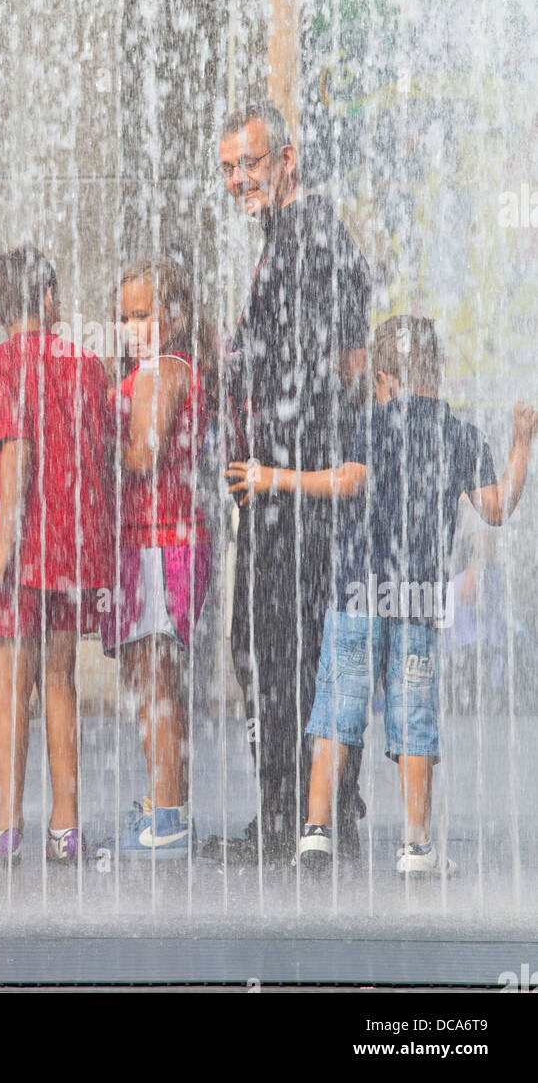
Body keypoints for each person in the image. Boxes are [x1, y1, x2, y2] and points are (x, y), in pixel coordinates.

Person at [231, 316, 537, 876]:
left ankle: (316, 831)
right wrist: (521, 445)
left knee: (336, 710)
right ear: (438, 373)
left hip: (357, 593)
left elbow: (347, 481)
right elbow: (497, 510)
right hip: (418, 599)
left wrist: (272, 475)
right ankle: (416, 846)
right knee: (413, 716)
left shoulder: (369, 423)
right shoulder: (460, 433)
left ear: (383, 378)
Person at [215, 101, 370, 867]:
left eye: (250, 163)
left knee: (277, 650)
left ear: (287, 157)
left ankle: (294, 815)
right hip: (281, 488)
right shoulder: (293, 237)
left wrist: (310, 468)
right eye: (229, 169)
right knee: (275, 647)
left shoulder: (312, 236)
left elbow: (347, 365)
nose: (240, 179)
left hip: (299, 492)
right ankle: (322, 802)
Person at [0, 247, 115, 863]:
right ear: (51, 299)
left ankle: (8, 828)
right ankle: (66, 828)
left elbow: (16, 450)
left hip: (24, 540)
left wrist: (3, 542)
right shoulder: (86, 363)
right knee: (59, 682)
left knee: (11, 685)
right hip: (74, 540)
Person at [97, 258, 213, 858]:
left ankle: (168, 817)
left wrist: (88, 432)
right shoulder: (155, 369)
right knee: (151, 678)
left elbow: (142, 455)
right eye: (124, 317)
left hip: (162, 541)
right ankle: (168, 801)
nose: (132, 327)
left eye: (143, 314)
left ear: (177, 315)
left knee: (155, 680)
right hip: (151, 540)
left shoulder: (163, 369)